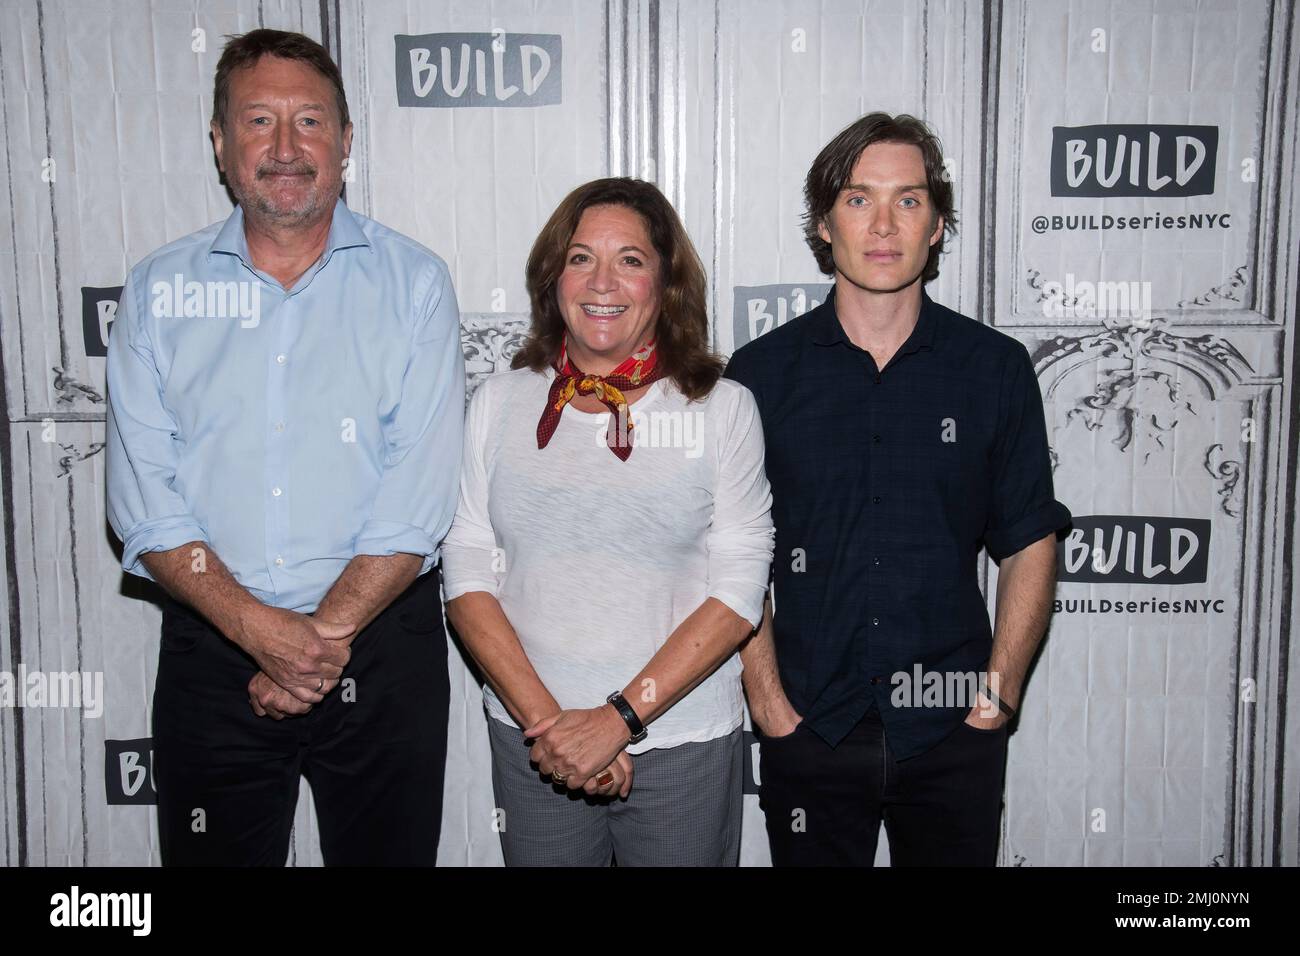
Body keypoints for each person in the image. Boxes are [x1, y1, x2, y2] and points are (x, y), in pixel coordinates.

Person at [105, 29, 464, 865]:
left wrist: (312, 642)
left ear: (345, 142)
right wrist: (259, 632)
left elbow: (418, 498)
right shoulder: (161, 290)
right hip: (213, 649)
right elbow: (145, 505)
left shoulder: (415, 283)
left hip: (381, 651)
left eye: (310, 121)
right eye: (259, 121)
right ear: (222, 145)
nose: (285, 147)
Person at [725, 113, 1070, 866]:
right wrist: (769, 704)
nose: (884, 225)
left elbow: (1029, 540)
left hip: (953, 729)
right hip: (809, 726)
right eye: (857, 199)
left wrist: (997, 699)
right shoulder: (758, 376)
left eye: (909, 200)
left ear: (939, 223)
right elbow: (734, 553)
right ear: (823, 223)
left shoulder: (994, 369)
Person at [441, 177, 773, 867]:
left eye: (630, 259)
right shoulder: (497, 405)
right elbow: (467, 571)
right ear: (553, 275)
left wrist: (618, 721)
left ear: (665, 282)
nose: (603, 280)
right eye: (581, 256)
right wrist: (554, 728)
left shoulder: (722, 410)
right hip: (536, 744)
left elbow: (740, 591)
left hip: (681, 742)